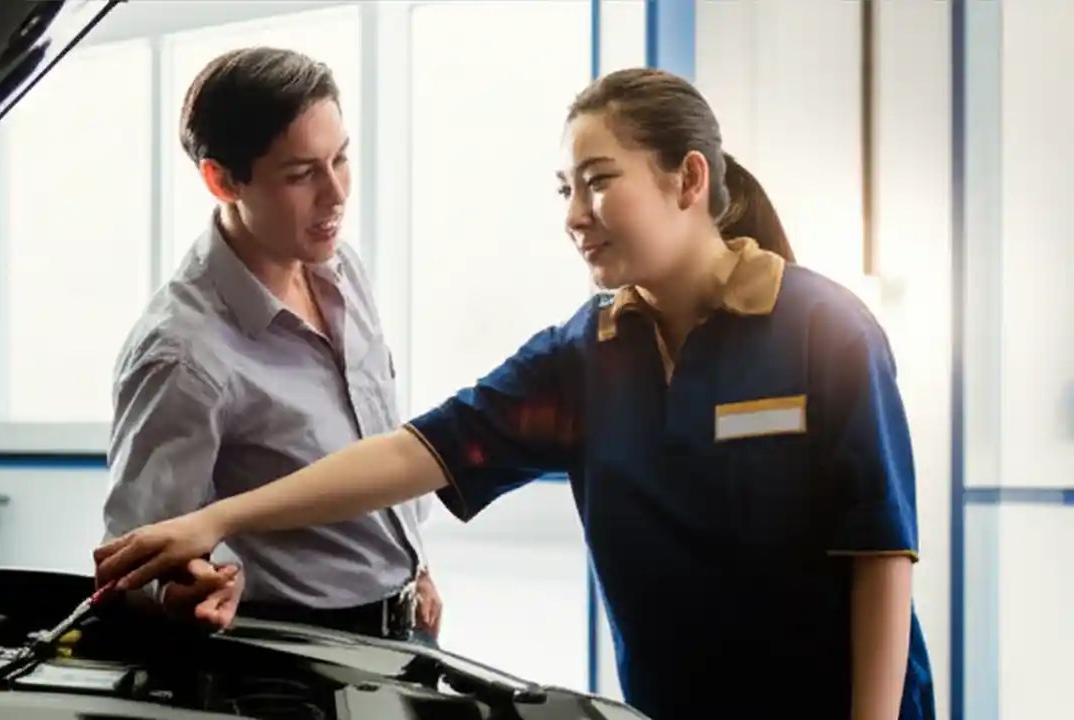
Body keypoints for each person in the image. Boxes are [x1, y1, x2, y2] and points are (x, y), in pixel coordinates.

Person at [94, 67, 936, 719]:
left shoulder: (827, 330)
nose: (575, 213)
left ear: (687, 180)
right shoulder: (585, 355)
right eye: (565, 188)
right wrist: (218, 518)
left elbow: (879, 560)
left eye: (599, 181)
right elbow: (415, 452)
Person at [101, 46, 443, 643]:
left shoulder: (342, 271)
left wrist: (413, 566)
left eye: (341, 159)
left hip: (404, 627)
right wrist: (185, 591)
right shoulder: (182, 352)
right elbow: (134, 564)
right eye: (301, 174)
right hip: (293, 656)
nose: (336, 194)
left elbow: (372, 433)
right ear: (222, 180)